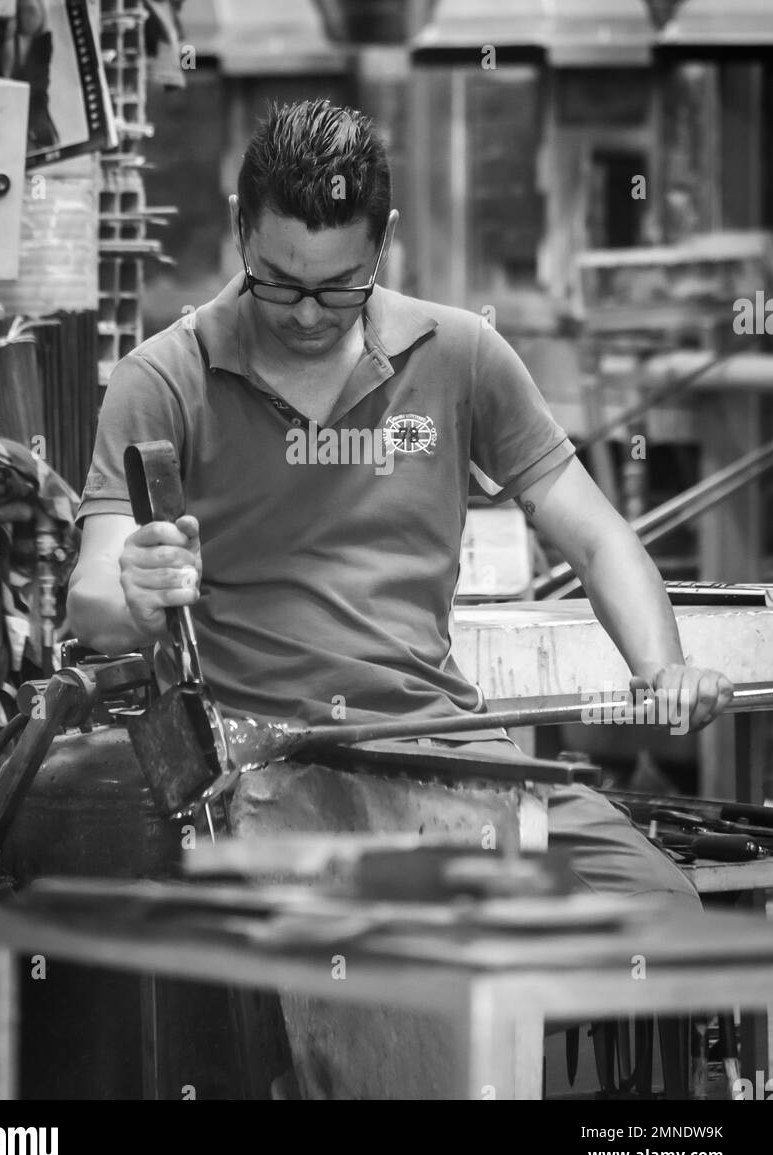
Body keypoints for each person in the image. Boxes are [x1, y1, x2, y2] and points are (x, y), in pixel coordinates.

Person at [68, 98, 734, 917]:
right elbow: (93, 599)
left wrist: (660, 665)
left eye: (340, 285)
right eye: (279, 282)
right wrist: (134, 595)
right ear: (241, 226)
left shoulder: (460, 356)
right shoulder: (163, 379)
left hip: (445, 749)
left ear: (383, 240)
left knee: (658, 909)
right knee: (362, 980)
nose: (307, 313)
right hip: (266, 768)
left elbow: (596, 539)